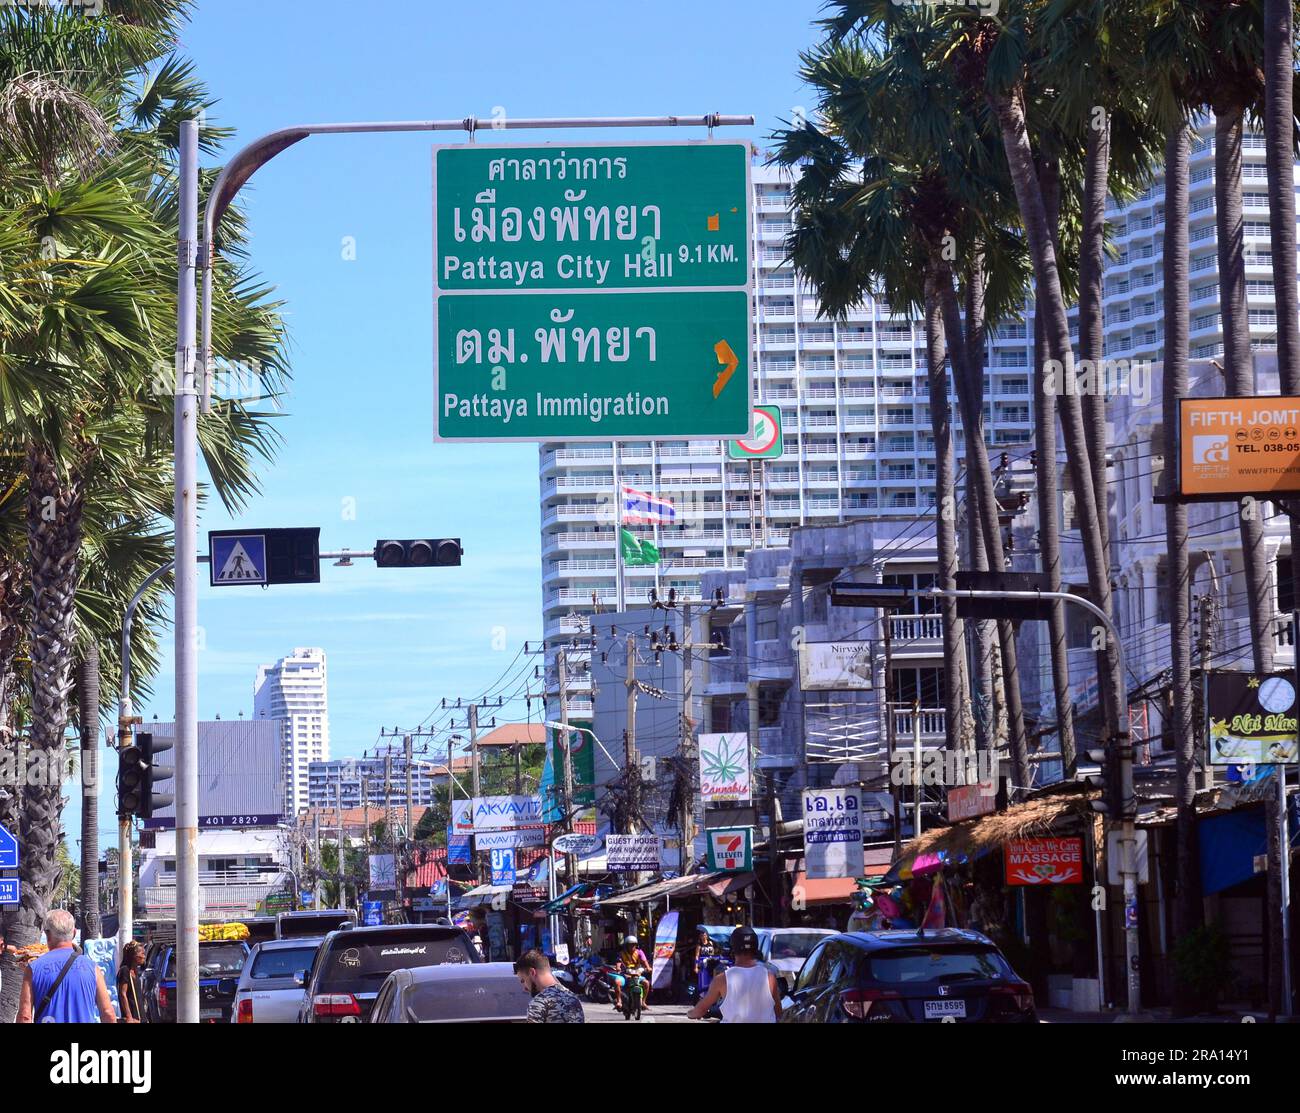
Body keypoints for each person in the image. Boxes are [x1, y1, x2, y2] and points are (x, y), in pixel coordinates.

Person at [17, 910, 117, 1023]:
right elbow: (108, 1013)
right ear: (74, 933)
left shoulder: (34, 969)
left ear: (48, 935)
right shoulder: (92, 968)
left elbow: (25, 1017)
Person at [687, 925, 781, 1024]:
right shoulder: (770, 977)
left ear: (733, 948)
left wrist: (689, 1013)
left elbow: (699, 1011)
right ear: (755, 947)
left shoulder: (722, 979)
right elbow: (778, 1012)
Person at [514, 949, 584, 1023]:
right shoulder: (573, 999)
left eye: (523, 980)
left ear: (532, 972)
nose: (525, 988)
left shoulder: (539, 1003)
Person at [610, 933, 651, 1012]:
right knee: (617, 982)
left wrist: (648, 967)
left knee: (646, 983)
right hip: (625, 975)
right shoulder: (621, 953)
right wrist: (618, 968)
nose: (632, 947)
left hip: (637, 974)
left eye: (633, 945)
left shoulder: (639, 952)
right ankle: (619, 1001)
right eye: (630, 945)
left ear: (636, 945)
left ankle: (643, 1002)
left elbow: (644, 961)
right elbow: (618, 962)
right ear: (626, 945)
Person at [115, 941, 146, 1024]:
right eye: (142, 954)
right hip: (132, 1017)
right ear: (134, 955)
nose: (144, 956)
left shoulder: (135, 971)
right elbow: (122, 994)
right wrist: (129, 1017)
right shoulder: (125, 970)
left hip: (140, 1016)